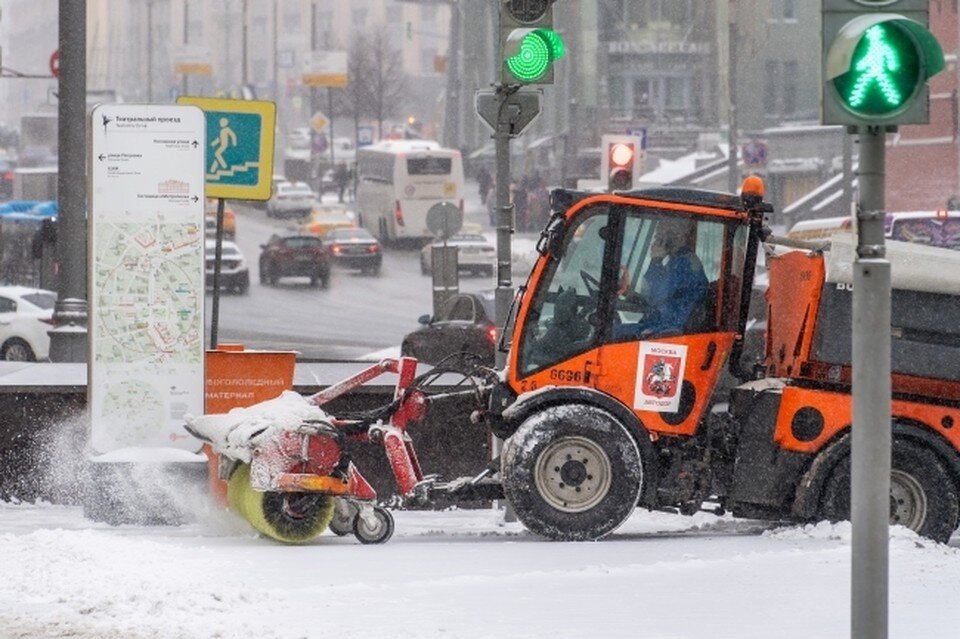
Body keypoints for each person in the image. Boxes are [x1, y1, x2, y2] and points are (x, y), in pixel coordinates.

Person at [614, 217, 708, 339]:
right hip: (662, 324)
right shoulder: (677, 260)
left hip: (668, 329)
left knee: (607, 333)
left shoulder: (684, 263)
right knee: (610, 329)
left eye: (660, 233)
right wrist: (628, 292)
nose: (656, 237)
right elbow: (654, 301)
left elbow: (656, 297)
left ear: (677, 233)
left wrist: (656, 259)